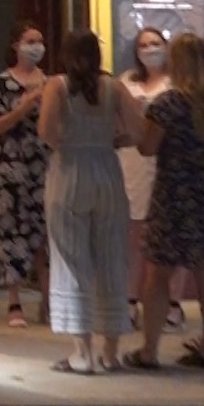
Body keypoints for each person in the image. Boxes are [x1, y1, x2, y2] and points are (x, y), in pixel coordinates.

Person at [124, 33, 204, 371]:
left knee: (158, 275)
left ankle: (149, 351)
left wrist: (136, 121)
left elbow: (147, 148)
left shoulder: (168, 104)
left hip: (172, 198)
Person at [39, 30, 141, 373]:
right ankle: (110, 352)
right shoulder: (113, 87)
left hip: (69, 171)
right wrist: (112, 140)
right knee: (112, 257)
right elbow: (140, 131)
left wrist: (68, 142)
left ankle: (81, 352)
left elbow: (46, 131)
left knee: (71, 259)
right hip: (107, 172)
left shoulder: (57, 85)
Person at [118, 27, 186, 333]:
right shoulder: (126, 82)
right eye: (144, 45)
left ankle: (173, 302)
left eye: (155, 44)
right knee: (134, 236)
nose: (150, 49)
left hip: (165, 160)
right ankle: (131, 300)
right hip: (131, 162)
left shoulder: (177, 83)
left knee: (170, 236)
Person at [0, 19, 51, 327]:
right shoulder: (2, 83)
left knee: (45, 230)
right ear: (16, 45)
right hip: (13, 164)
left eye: (39, 41)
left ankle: (49, 299)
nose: (36, 46)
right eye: (30, 41)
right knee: (13, 229)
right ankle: (14, 302)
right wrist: (25, 105)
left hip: (46, 163)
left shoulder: (52, 83)